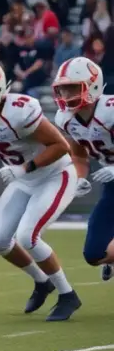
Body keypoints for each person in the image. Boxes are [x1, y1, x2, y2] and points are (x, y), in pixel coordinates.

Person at [0, 59, 82, 321]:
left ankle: (68, 294)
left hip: (54, 175)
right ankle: (41, 281)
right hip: (23, 180)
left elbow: (61, 146)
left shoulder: (20, 111)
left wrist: (26, 167)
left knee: (28, 236)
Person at [52, 58, 114, 282]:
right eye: (63, 88)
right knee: (94, 253)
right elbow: (78, 155)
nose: (66, 94)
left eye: (73, 88)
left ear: (93, 85)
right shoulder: (67, 119)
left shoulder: (110, 111)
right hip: (112, 186)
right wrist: (79, 178)